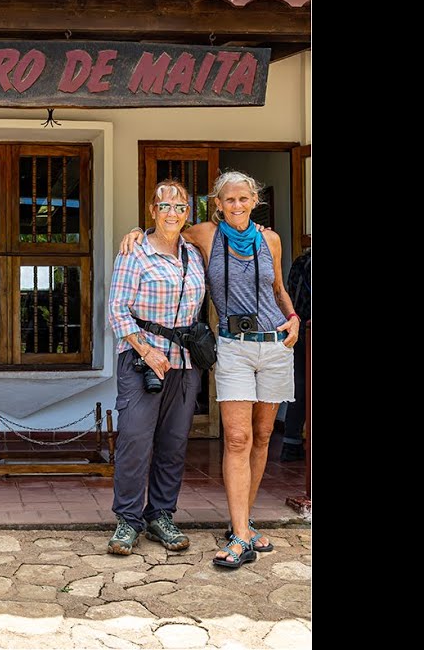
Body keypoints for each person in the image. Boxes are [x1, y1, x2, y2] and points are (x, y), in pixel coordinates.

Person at [119, 170, 299, 569]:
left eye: (244, 199)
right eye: (229, 199)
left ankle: (242, 522)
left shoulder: (270, 239)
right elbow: (165, 231)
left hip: (275, 346)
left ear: (255, 201)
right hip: (234, 346)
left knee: (262, 435)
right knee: (237, 438)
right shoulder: (205, 235)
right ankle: (240, 535)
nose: (237, 205)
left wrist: (293, 317)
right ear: (217, 204)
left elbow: (278, 289)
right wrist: (136, 231)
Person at [105, 179, 207, 556]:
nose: (172, 213)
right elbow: (117, 310)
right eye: (164, 206)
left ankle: (160, 515)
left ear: (188, 213)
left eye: (180, 207)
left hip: (185, 361)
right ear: (152, 211)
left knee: (173, 442)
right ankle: (128, 519)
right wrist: (147, 351)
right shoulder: (135, 252)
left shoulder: (194, 252)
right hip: (140, 360)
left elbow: (231, 223)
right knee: (135, 439)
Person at [281, 245, 311, 461]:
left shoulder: (300, 262)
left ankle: (291, 443)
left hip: (297, 327)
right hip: (307, 329)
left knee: (299, 385)